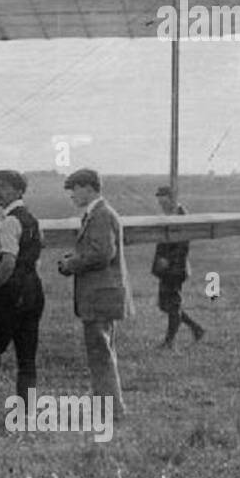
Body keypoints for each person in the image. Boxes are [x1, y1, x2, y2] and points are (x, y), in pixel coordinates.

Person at [56, 169, 133, 417]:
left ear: (89, 188)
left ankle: (111, 409)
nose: (72, 196)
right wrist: (75, 259)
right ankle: (107, 405)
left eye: (74, 189)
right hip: (102, 294)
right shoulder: (98, 214)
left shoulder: (100, 215)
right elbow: (99, 251)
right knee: (103, 350)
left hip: (100, 295)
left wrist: (71, 264)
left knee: (100, 352)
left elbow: (102, 254)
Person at [0, 170, 45, 417]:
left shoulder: (10, 221)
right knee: (27, 357)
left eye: (3, 187)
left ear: (17, 191)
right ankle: (27, 415)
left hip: (11, 293)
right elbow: (33, 257)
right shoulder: (33, 220)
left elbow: (7, 264)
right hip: (33, 290)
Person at [152, 186, 205, 349]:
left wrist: (168, 261)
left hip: (175, 268)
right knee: (166, 305)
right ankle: (196, 328)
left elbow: (183, 245)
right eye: (159, 200)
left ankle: (169, 342)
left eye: (163, 199)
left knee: (172, 305)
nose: (161, 203)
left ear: (171, 198)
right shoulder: (169, 215)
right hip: (166, 267)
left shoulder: (182, 215)